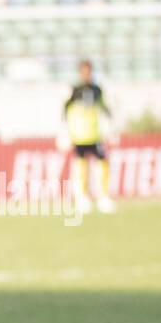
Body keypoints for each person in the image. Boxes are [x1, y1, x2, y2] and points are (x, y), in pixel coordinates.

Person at [64, 59, 116, 214]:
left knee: (102, 164)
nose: (86, 74)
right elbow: (64, 111)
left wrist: (111, 128)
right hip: (79, 136)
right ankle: (82, 198)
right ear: (80, 73)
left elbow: (105, 110)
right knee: (81, 167)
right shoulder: (74, 90)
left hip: (95, 134)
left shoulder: (97, 90)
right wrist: (64, 132)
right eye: (83, 71)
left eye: (88, 71)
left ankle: (103, 197)